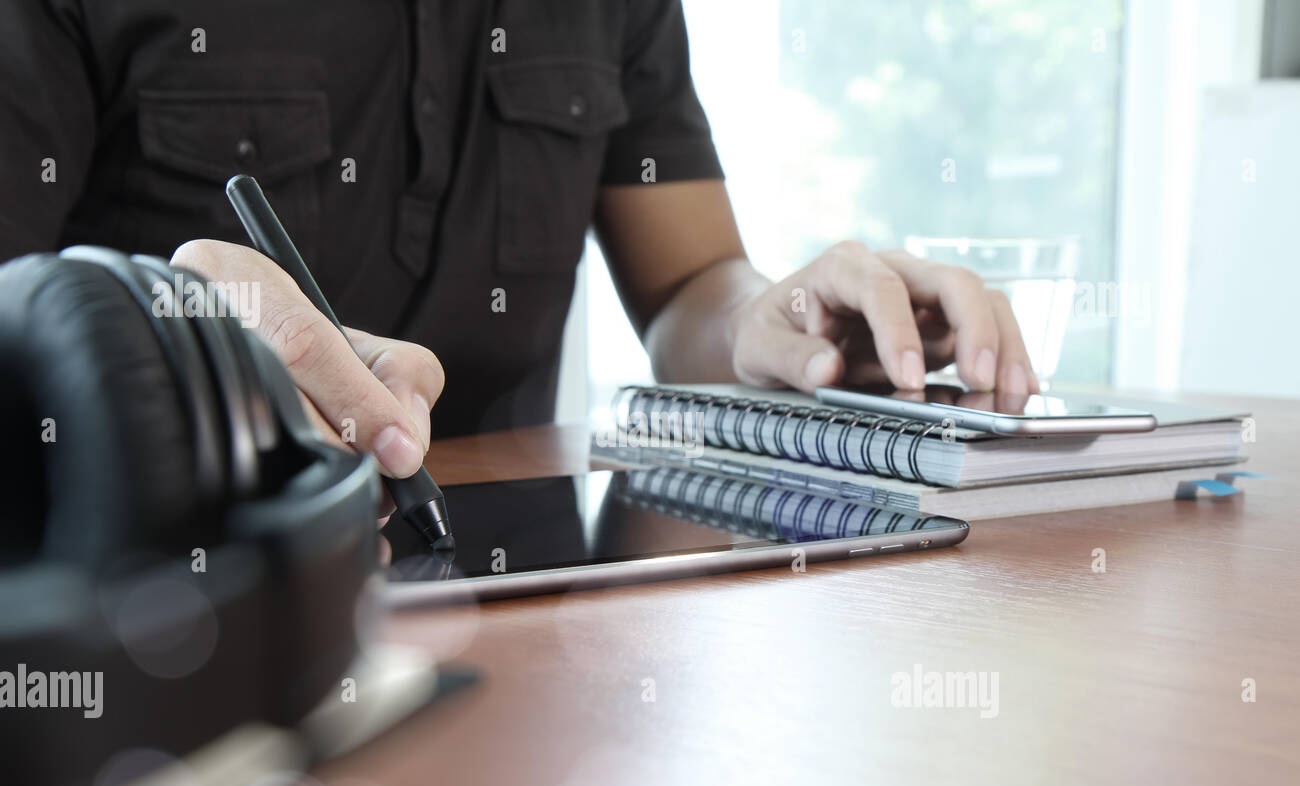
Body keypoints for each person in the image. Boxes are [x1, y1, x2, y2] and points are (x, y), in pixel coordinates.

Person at [0, 0, 1037, 486]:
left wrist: (777, 323)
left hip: (514, 602)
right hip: (167, 584)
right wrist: (162, 336)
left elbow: (686, 290)